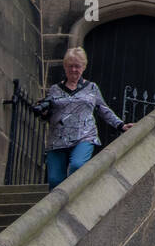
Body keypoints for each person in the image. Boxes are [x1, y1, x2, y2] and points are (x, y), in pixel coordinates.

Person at [40, 47, 134, 190]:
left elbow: (103, 109)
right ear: (65, 67)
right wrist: (43, 113)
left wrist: (120, 125)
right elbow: (47, 114)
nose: (73, 70)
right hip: (57, 140)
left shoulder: (91, 88)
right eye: (70, 66)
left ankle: (73, 200)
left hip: (83, 136)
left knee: (77, 165)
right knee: (54, 180)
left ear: (83, 67)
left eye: (77, 66)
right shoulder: (54, 89)